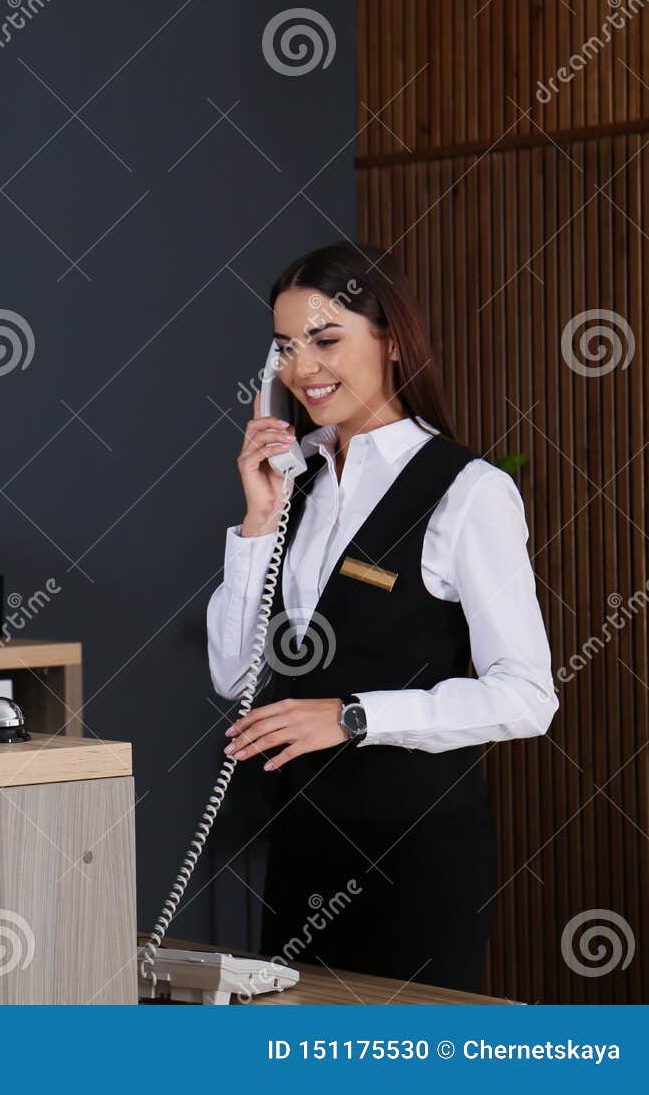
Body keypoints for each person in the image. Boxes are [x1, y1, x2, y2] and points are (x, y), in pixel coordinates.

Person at [206, 241, 558, 993]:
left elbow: (529, 696)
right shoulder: (293, 485)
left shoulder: (469, 491)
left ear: (393, 341)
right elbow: (236, 675)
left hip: (417, 853)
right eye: (285, 348)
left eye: (326, 340)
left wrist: (353, 716)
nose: (302, 369)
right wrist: (257, 522)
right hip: (303, 844)